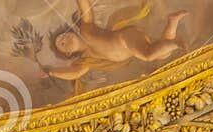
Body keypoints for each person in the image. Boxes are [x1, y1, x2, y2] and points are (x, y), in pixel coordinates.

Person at [43, 2, 188, 85]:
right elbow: (74, 73)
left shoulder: (86, 29)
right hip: (128, 48)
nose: (64, 39)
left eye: (63, 35)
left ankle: (175, 42)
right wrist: (51, 71)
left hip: (124, 38)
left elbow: (85, 8)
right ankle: (173, 22)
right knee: (162, 55)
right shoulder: (88, 59)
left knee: (148, 54)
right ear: (68, 53)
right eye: (62, 44)